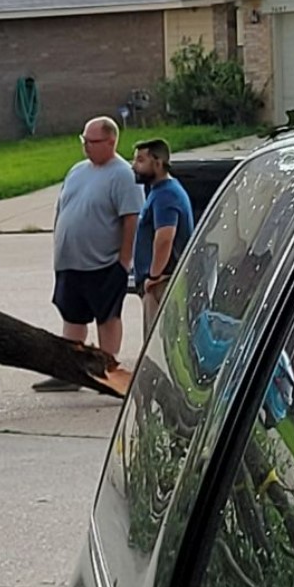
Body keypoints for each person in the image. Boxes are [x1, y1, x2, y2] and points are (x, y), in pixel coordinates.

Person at [35, 117, 143, 391]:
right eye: (84, 141)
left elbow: (131, 218)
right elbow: (63, 209)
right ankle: (71, 372)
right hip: (71, 262)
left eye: (92, 142)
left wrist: (124, 260)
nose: (86, 147)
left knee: (107, 317)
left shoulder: (123, 175)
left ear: (111, 141)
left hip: (104, 262)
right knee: (72, 316)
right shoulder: (77, 171)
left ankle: (106, 371)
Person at [130, 138, 194, 336]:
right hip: (159, 281)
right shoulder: (158, 191)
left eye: (140, 160)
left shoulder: (166, 195)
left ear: (157, 163)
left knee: (159, 342)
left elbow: (165, 238)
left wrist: (153, 276)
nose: (134, 166)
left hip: (161, 284)